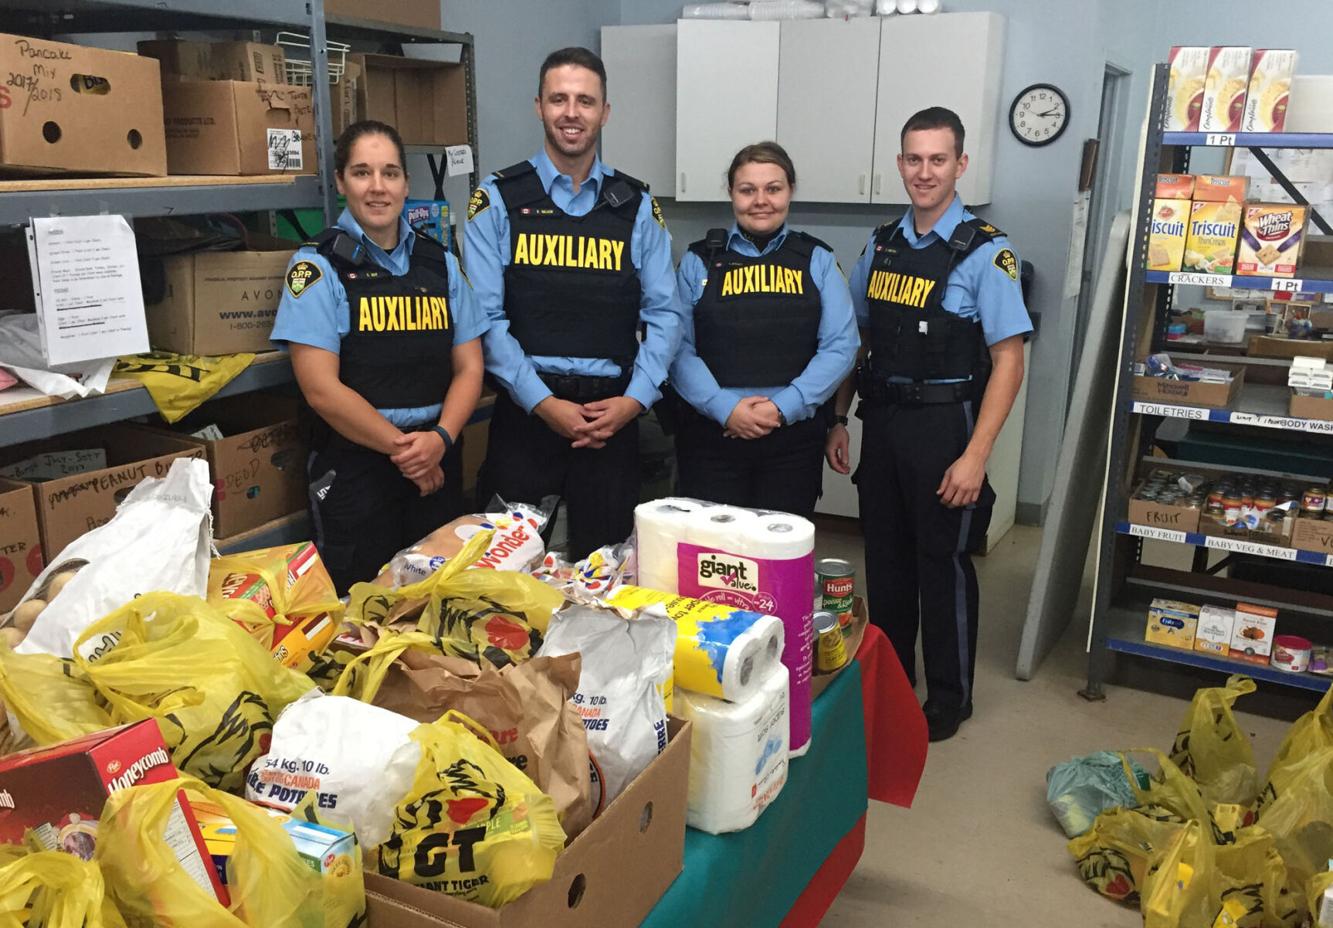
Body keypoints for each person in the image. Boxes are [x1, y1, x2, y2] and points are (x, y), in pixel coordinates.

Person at [826, 107, 1030, 742]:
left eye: (937, 160)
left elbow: (1009, 360)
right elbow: (855, 337)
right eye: (913, 159)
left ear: (960, 165)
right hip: (882, 421)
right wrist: (837, 418)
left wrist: (976, 456)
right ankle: (891, 680)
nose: (924, 172)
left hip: (946, 426)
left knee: (939, 565)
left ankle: (949, 695)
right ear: (900, 164)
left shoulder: (985, 252)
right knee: (884, 562)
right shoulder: (882, 244)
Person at [465, 46, 683, 558]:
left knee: (605, 575)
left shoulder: (636, 206)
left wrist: (635, 401)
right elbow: (485, 318)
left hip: (612, 416)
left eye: (585, 101)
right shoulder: (496, 198)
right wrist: (543, 403)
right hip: (525, 415)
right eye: (559, 99)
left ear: (604, 112)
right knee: (506, 576)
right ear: (538, 105)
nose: (571, 112)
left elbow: (666, 313)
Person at [272, 120, 487, 593]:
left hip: (437, 460)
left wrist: (441, 441)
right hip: (357, 472)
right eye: (362, 172)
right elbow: (321, 390)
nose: (377, 187)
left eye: (390, 173)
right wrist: (407, 452)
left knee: (439, 605)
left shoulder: (441, 264)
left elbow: (470, 367)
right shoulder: (316, 267)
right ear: (340, 181)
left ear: (406, 184)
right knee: (359, 613)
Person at [670, 141, 857, 519]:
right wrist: (726, 409)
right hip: (712, 438)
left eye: (773, 188)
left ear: (790, 191)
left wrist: (780, 408)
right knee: (712, 557)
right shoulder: (698, 261)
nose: (761, 200)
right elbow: (677, 348)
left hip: (792, 442)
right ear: (731, 193)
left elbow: (841, 346)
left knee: (779, 560)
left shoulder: (816, 259)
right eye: (747, 189)